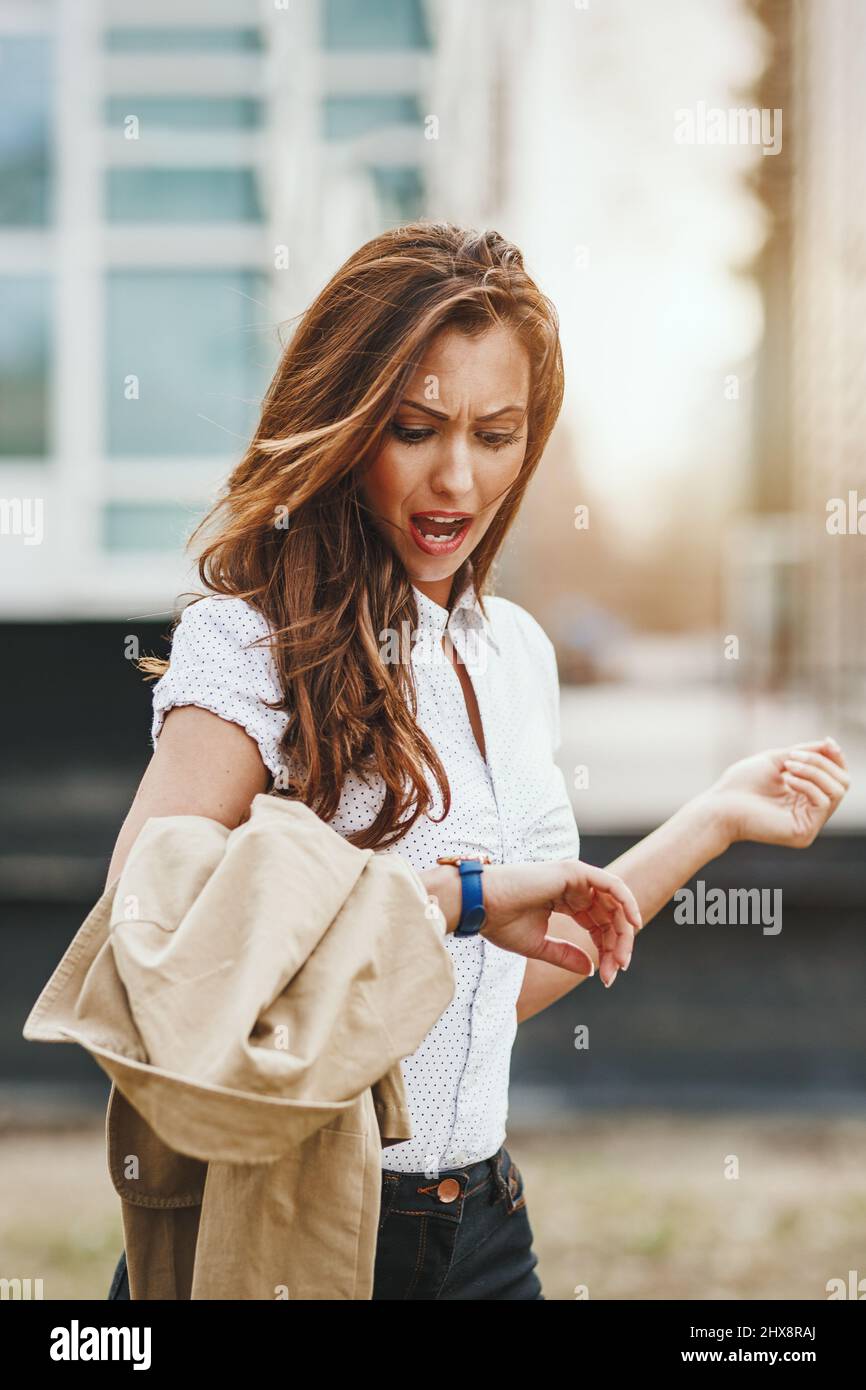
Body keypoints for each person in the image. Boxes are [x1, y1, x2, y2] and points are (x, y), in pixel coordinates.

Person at [105, 221, 848, 1301]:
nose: (456, 475)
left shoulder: (516, 655)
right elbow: (151, 924)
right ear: (347, 422)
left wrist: (713, 817)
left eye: (495, 434)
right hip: (295, 1220)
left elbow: (496, 984)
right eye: (414, 427)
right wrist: (462, 893)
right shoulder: (252, 640)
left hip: (481, 1234)